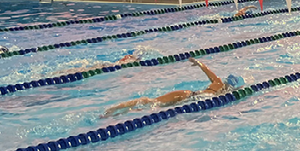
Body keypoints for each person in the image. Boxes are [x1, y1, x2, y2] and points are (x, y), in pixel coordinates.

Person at [102, 58, 243, 118]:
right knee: (152, 105)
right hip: (190, 98)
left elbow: (206, 69)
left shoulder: (218, 83)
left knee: (152, 103)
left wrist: (198, 63)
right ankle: (116, 112)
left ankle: (116, 111)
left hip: (187, 95)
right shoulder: (223, 93)